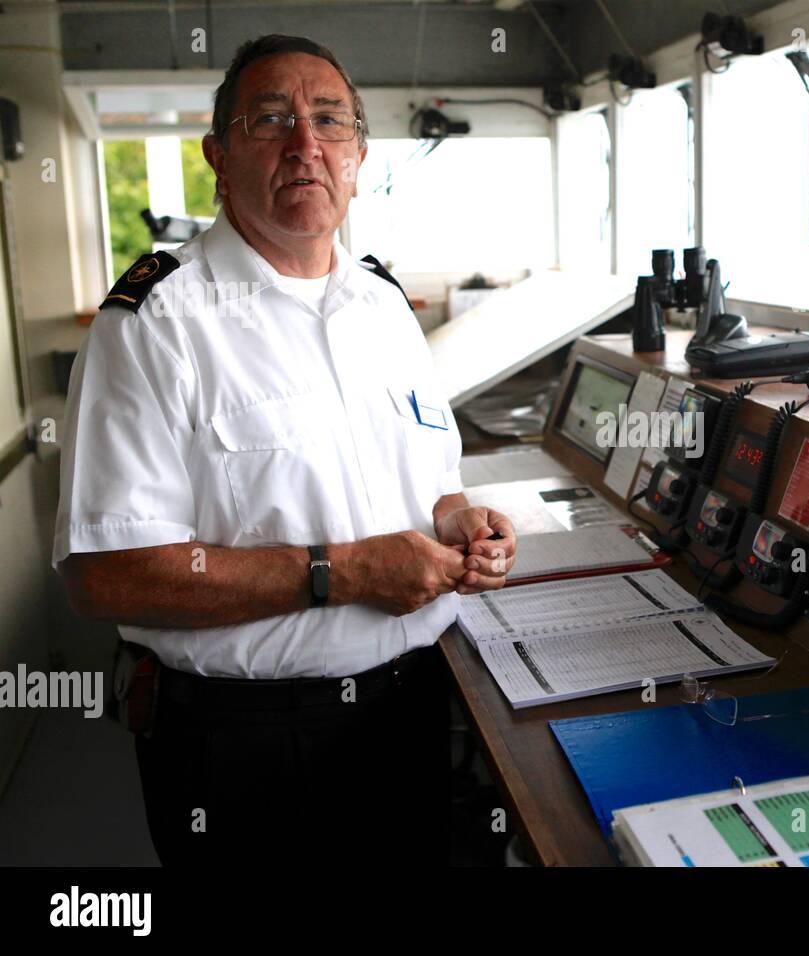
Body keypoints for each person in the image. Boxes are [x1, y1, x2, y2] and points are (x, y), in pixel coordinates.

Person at [53, 34, 516, 866]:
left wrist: (463, 522)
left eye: (330, 121)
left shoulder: (382, 302)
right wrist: (348, 570)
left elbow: (433, 482)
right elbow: (106, 574)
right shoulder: (156, 322)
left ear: (360, 155)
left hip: (414, 708)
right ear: (219, 158)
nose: (307, 144)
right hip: (248, 747)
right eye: (271, 120)